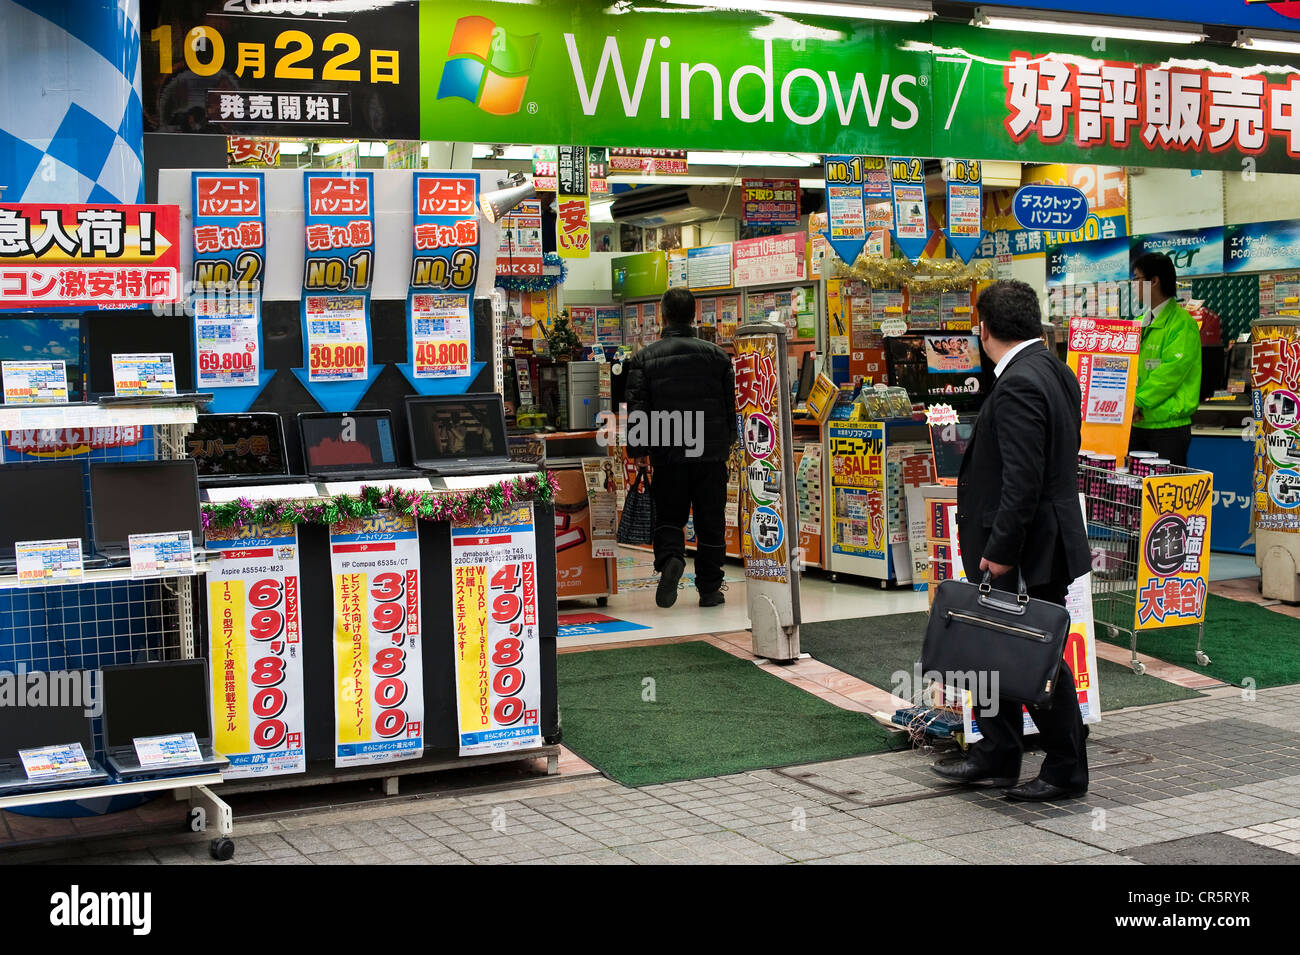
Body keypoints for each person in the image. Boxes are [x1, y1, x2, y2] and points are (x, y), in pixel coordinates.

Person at [932, 279, 1092, 802]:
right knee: (993, 645)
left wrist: (998, 553)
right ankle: (996, 754)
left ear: (984, 329)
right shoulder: (1054, 369)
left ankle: (1066, 767)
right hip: (1042, 539)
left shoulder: (1021, 381)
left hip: (1023, 547)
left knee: (1035, 656)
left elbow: (1023, 480)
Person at [623, 287, 736, 609]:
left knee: (670, 515)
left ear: (663, 315)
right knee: (710, 520)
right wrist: (727, 442)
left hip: (668, 451)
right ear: (694, 314)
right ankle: (710, 589)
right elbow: (731, 406)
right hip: (711, 453)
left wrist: (639, 450)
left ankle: (672, 558)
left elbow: (638, 408)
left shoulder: (645, 357)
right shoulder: (717, 356)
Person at [1130, 252, 1202, 466]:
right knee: (1134, 495)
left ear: (1154, 281)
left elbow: (1171, 372)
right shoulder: (1139, 323)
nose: (1133, 285)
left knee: (1165, 494)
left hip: (1168, 428)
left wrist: (1138, 401)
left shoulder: (1182, 324)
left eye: (1136, 279)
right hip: (1138, 423)